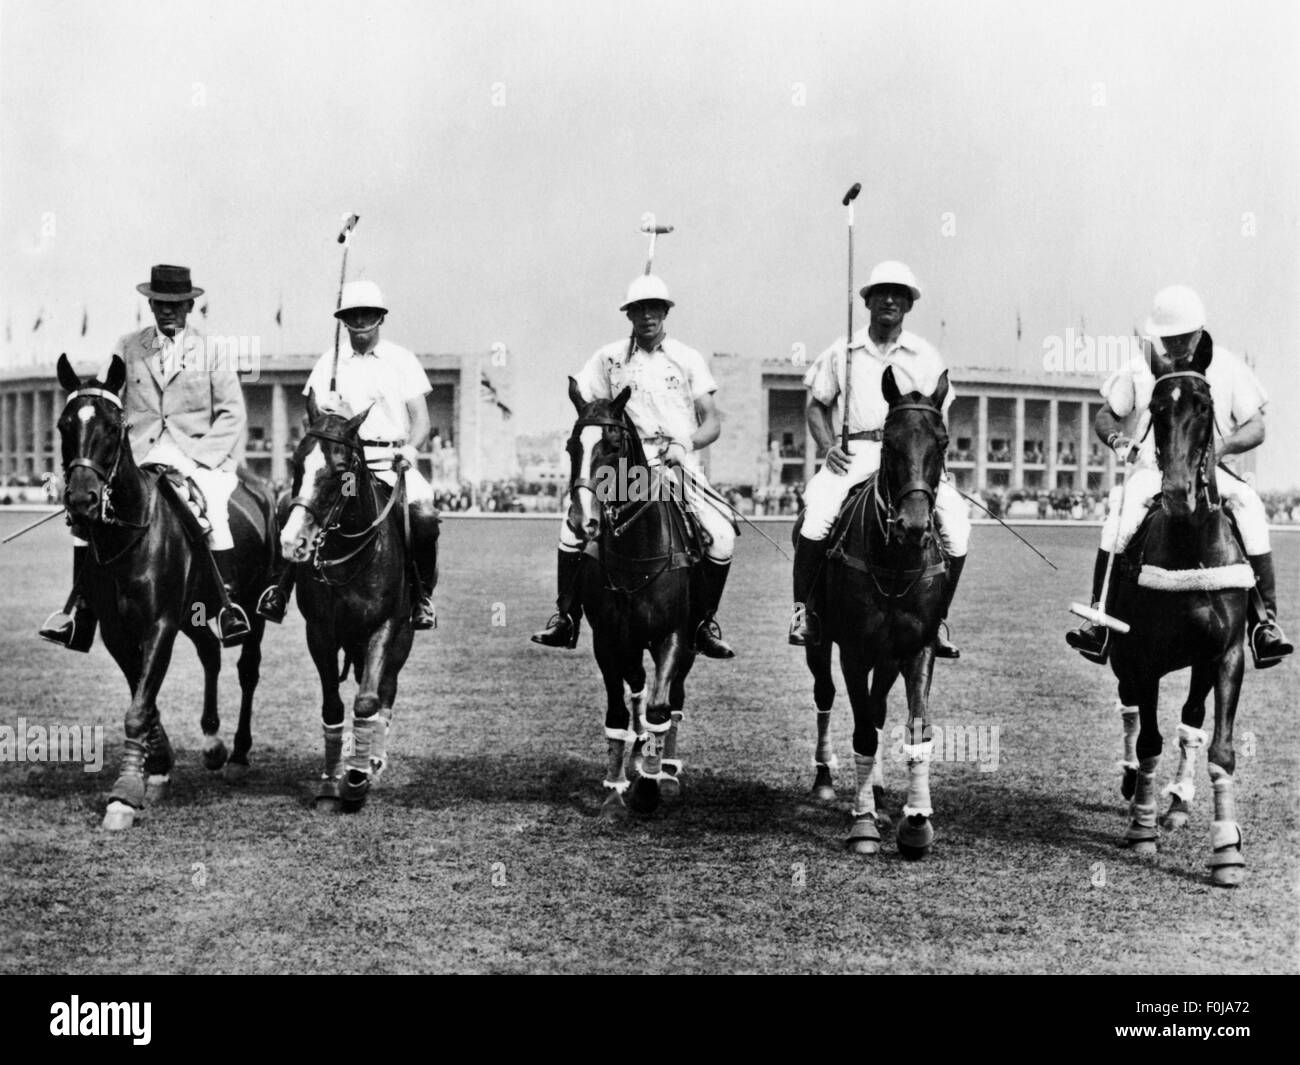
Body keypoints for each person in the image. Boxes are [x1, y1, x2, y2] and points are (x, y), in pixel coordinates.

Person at [1066, 285, 1292, 666]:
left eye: (1183, 337)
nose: (1175, 345)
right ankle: (1099, 620)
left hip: (1215, 472)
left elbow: (1257, 426)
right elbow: (1107, 414)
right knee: (1119, 518)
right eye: (1168, 338)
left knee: (1251, 507)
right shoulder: (1142, 366)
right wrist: (1120, 441)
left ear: (1200, 333)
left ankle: (1264, 624)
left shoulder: (1228, 364)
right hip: (1154, 470)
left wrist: (1221, 449)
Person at [40, 263, 252, 649]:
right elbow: (106, 398)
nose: (166, 310)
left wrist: (202, 458)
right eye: (159, 303)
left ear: (189, 306)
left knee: (215, 512)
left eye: (175, 303)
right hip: (138, 454)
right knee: (84, 520)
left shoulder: (214, 351)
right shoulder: (127, 346)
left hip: (196, 456)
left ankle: (225, 607)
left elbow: (232, 413)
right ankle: (80, 615)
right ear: (150, 304)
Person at [530, 274, 736, 658]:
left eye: (654, 308)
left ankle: (703, 622)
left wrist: (685, 443)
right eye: (639, 309)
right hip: (625, 470)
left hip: (677, 462)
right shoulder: (608, 358)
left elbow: (712, 422)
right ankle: (566, 618)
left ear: (665, 312)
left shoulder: (687, 358)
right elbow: (588, 404)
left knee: (721, 535)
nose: (647, 316)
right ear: (629, 315)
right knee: (574, 530)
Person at [788, 260, 970, 654]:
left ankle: (937, 620)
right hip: (856, 451)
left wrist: (937, 466)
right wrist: (827, 446)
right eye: (882, 293)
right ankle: (806, 611)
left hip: (908, 460)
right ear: (868, 301)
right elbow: (816, 406)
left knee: (957, 526)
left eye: (899, 295)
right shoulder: (844, 351)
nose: (890, 300)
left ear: (908, 305)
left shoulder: (926, 355)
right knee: (818, 516)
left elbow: (938, 416)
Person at [258, 280, 440, 629]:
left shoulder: (402, 360)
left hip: (391, 463)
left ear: (380, 318)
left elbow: (422, 421)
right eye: (352, 315)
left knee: (425, 518)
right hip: (345, 472)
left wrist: (411, 449)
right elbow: (309, 416)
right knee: (293, 507)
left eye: (367, 314)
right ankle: (280, 588)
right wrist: (329, 412)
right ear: (343, 320)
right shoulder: (330, 361)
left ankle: (421, 595)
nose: (360, 322)